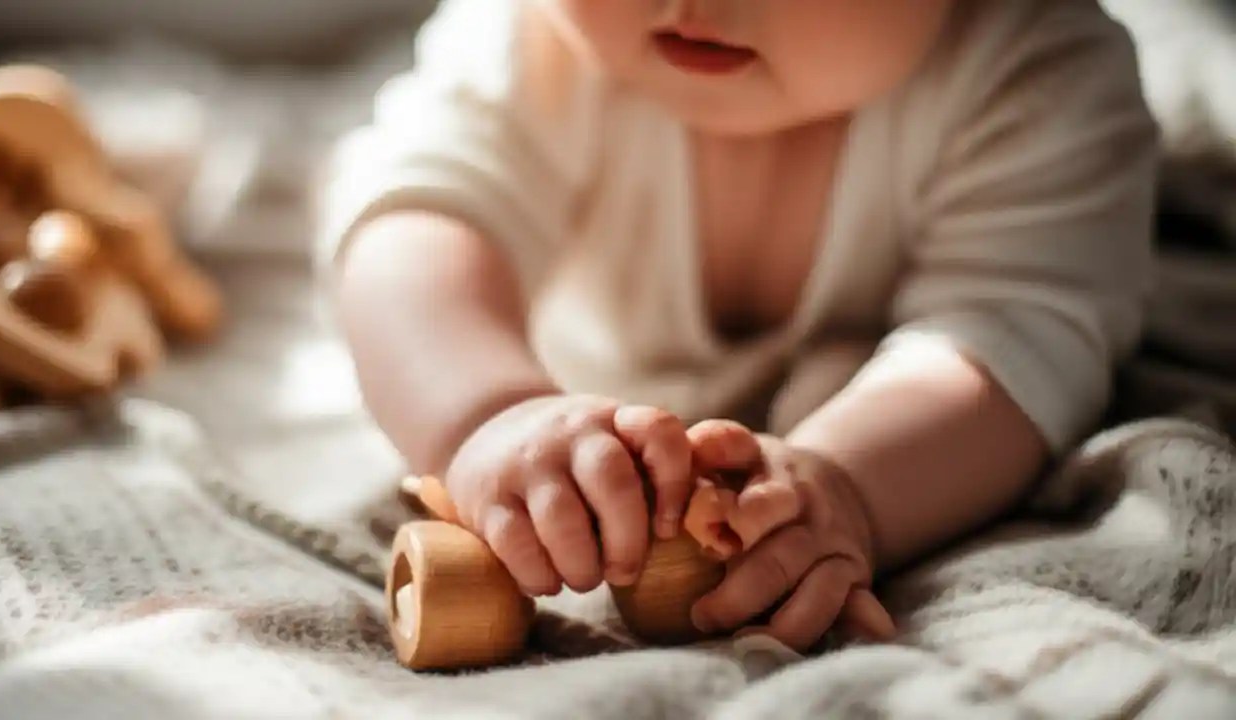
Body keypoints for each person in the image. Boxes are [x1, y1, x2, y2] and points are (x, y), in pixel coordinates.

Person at [319, 0, 1158, 651]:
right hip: (565, 373)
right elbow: (410, 232)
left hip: (867, 401)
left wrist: (849, 482)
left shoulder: (1033, 70)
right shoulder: (532, 40)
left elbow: (1014, 333)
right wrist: (487, 414)